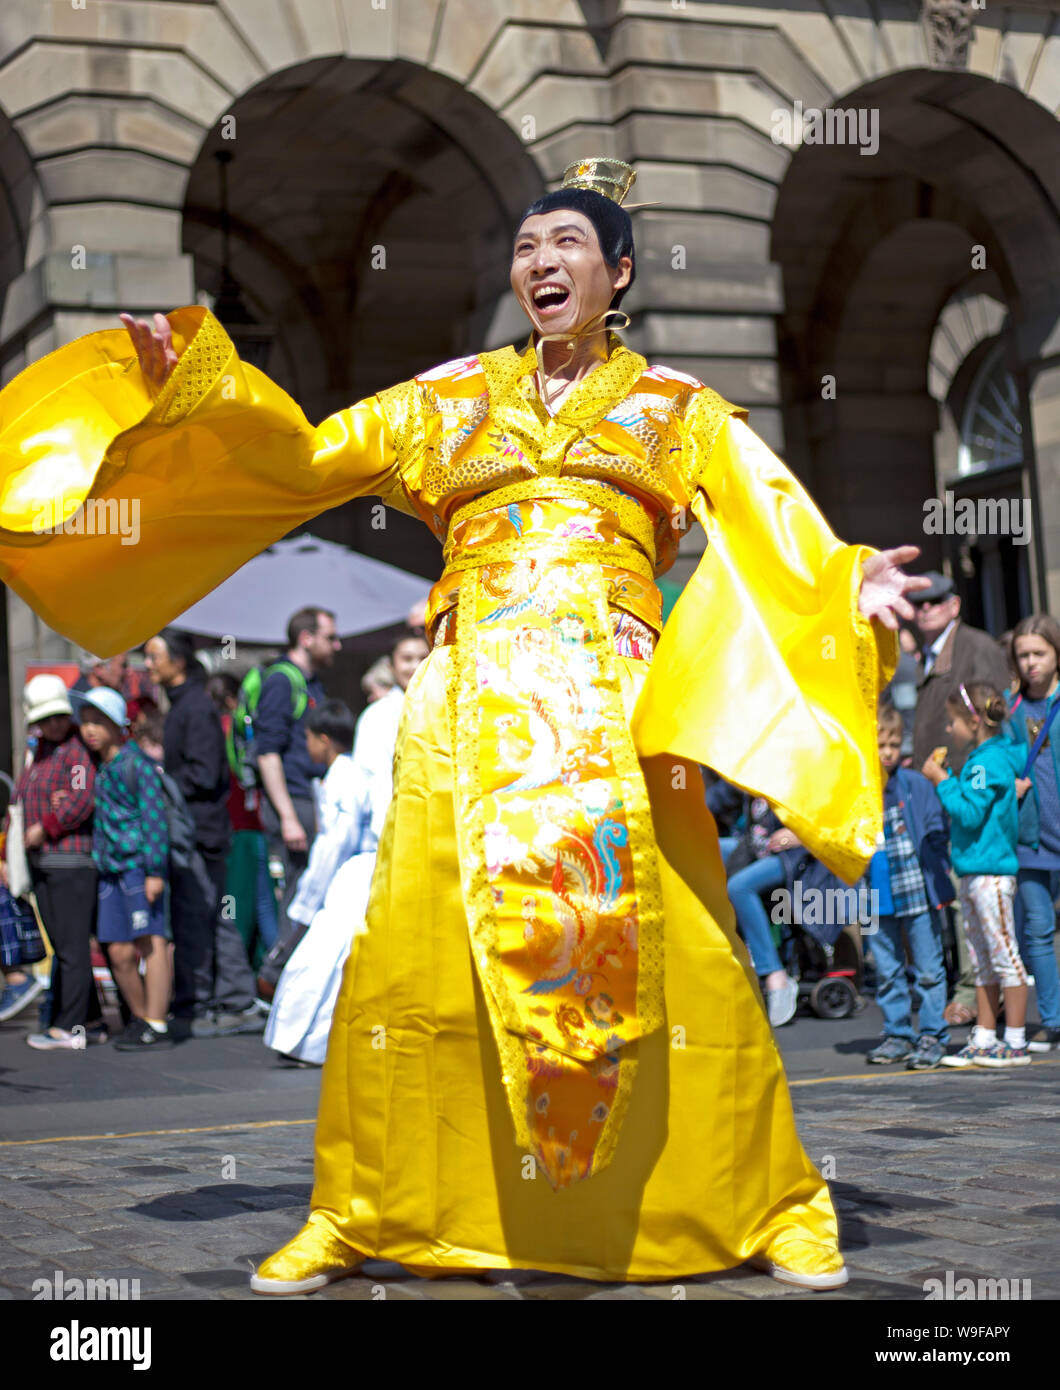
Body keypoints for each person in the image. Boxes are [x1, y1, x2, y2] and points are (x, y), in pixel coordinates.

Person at [0, 156, 926, 1292]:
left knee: (683, 951)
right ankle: (364, 1207)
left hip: (618, 709)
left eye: (567, 245)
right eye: (527, 246)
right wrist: (178, 382)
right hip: (465, 704)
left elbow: (775, 520)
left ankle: (764, 1195)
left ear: (618, 272)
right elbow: (298, 459)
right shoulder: (447, 397)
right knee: (414, 968)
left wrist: (848, 587)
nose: (540, 261)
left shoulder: (678, 409)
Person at [143, 628, 261, 1036]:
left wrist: (162, 779)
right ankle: (229, 999)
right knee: (211, 915)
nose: (147, 664)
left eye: (153, 655)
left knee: (202, 916)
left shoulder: (195, 707)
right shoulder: (183, 705)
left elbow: (206, 772)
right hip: (196, 830)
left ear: (177, 661)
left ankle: (214, 1001)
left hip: (201, 832)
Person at [921, 682, 1030, 1067]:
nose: (949, 729)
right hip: (973, 872)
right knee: (983, 959)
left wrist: (941, 781)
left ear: (973, 721)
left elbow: (968, 813)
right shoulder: (983, 760)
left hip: (990, 874)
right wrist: (953, 780)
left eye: (952, 721)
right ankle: (985, 1036)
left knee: (1004, 956)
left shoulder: (986, 762)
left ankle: (1014, 1041)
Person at [4, 676, 104, 1049]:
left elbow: (82, 798)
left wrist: (45, 827)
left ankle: (70, 1027)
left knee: (73, 947)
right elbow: (21, 796)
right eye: (47, 719)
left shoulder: (76, 751)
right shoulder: (40, 751)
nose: (55, 724)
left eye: (59, 716)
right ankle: (90, 1021)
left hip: (72, 863)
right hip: (44, 864)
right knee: (66, 946)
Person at [264, 699, 363, 1065]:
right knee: (329, 963)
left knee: (319, 962)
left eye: (307, 738)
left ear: (324, 740)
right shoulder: (345, 776)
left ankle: (306, 1044)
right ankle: (308, 1043)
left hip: (348, 877)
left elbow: (337, 840)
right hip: (346, 875)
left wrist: (308, 897)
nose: (306, 746)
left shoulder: (345, 779)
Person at [77, 689, 173, 1050]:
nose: (90, 729)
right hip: (110, 873)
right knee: (117, 951)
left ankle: (157, 1022)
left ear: (119, 727)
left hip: (137, 869)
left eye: (99, 722)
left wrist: (155, 871)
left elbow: (154, 820)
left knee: (152, 942)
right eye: (86, 721)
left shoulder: (138, 765)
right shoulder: (101, 767)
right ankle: (140, 1019)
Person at [865, 703, 954, 1069]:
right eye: (881, 744)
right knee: (886, 970)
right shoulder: (860, 790)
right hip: (873, 898)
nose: (888, 752)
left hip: (917, 894)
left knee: (929, 968)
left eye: (894, 744)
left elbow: (936, 829)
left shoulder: (915, 785)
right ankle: (898, 1033)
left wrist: (940, 873)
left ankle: (933, 1034)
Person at [256, 608, 341, 917]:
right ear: (306, 639)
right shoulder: (281, 681)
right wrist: (288, 817)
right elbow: (267, 753)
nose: (337, 645)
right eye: (330, 637)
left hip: (309, 799)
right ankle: (279, 965)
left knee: (308, 891)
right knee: (294, 897)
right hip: (292, 802)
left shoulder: (312, 682)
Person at [1005, 614, 1060, 1051]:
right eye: (1023, 655)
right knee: (1038, 929)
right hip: (1030, 839)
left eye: (1039, 653)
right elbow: (994, 759)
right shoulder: (1010, 710)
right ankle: (1054, 1020)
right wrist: (1010, 784)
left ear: (1056, 654)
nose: (1031, 663)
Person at [204, 674, 279, 974]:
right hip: (252, 825)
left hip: (235, 830)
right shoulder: (242, 729)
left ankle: (251, 973)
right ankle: (272, 969)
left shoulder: (221, 731)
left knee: (239, 906)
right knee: (262, 902)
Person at [911, 572, 1013, 773]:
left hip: (967, 780)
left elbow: (998, 718)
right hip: (933, 781)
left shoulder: (978, 646)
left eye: (935, 601)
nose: (925, 608)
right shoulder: (923, 656)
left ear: (954, 606)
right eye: (919, 602)